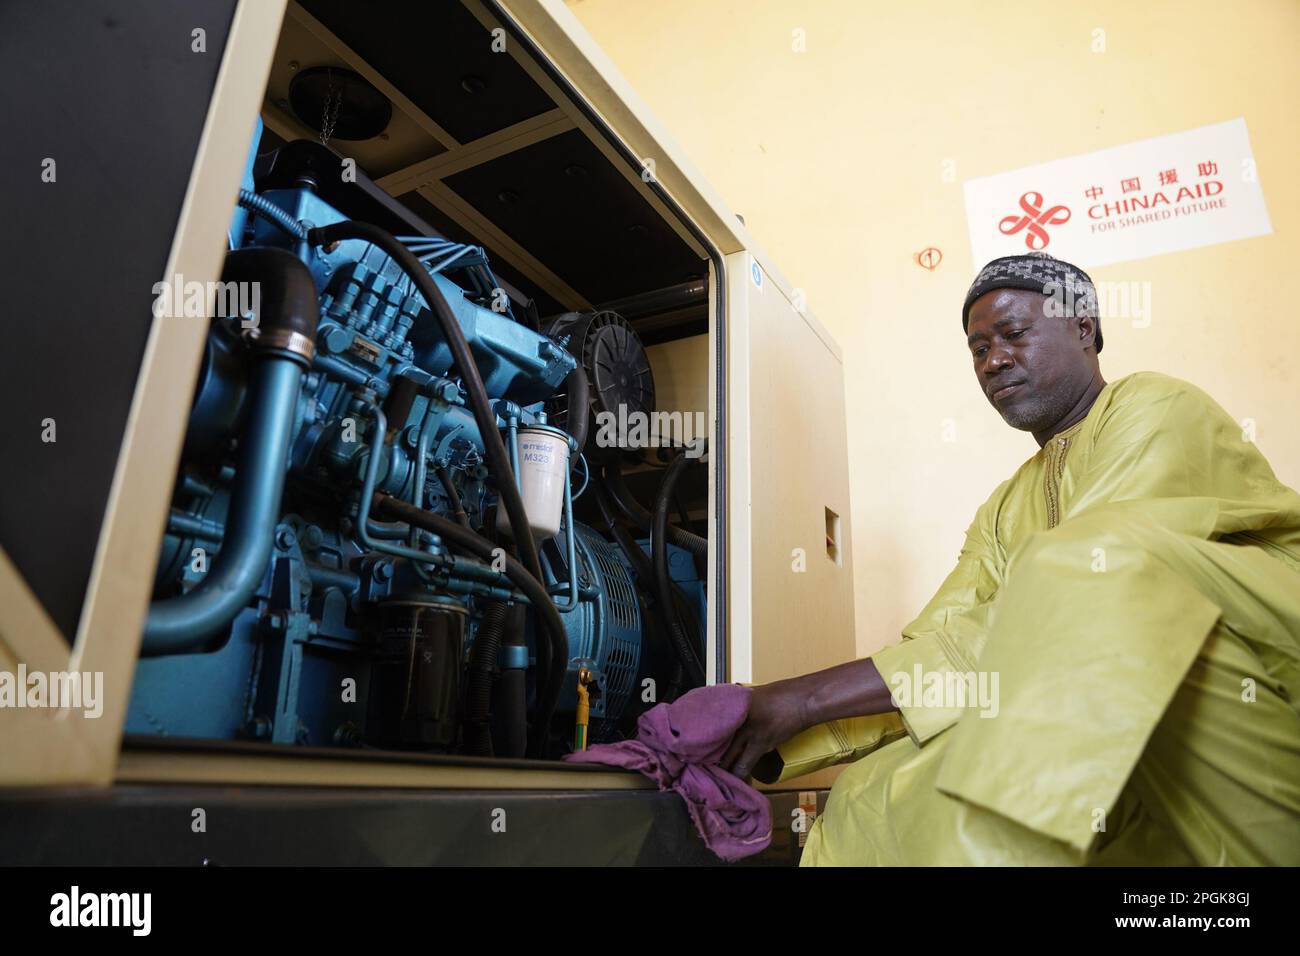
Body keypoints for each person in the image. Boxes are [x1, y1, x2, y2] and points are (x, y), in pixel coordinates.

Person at [723, 252, 1300, 865]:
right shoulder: (1004, 507)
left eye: (1015, 335)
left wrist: (803, 698)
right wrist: (766, 729)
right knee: (873, 791)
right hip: (1109, 700)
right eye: (978, 350)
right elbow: (933, 655)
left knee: (1085, 575)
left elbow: (1093, 588)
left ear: (1084, 329)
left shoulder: (1155, 406)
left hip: (1257, 675)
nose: (994, 361)